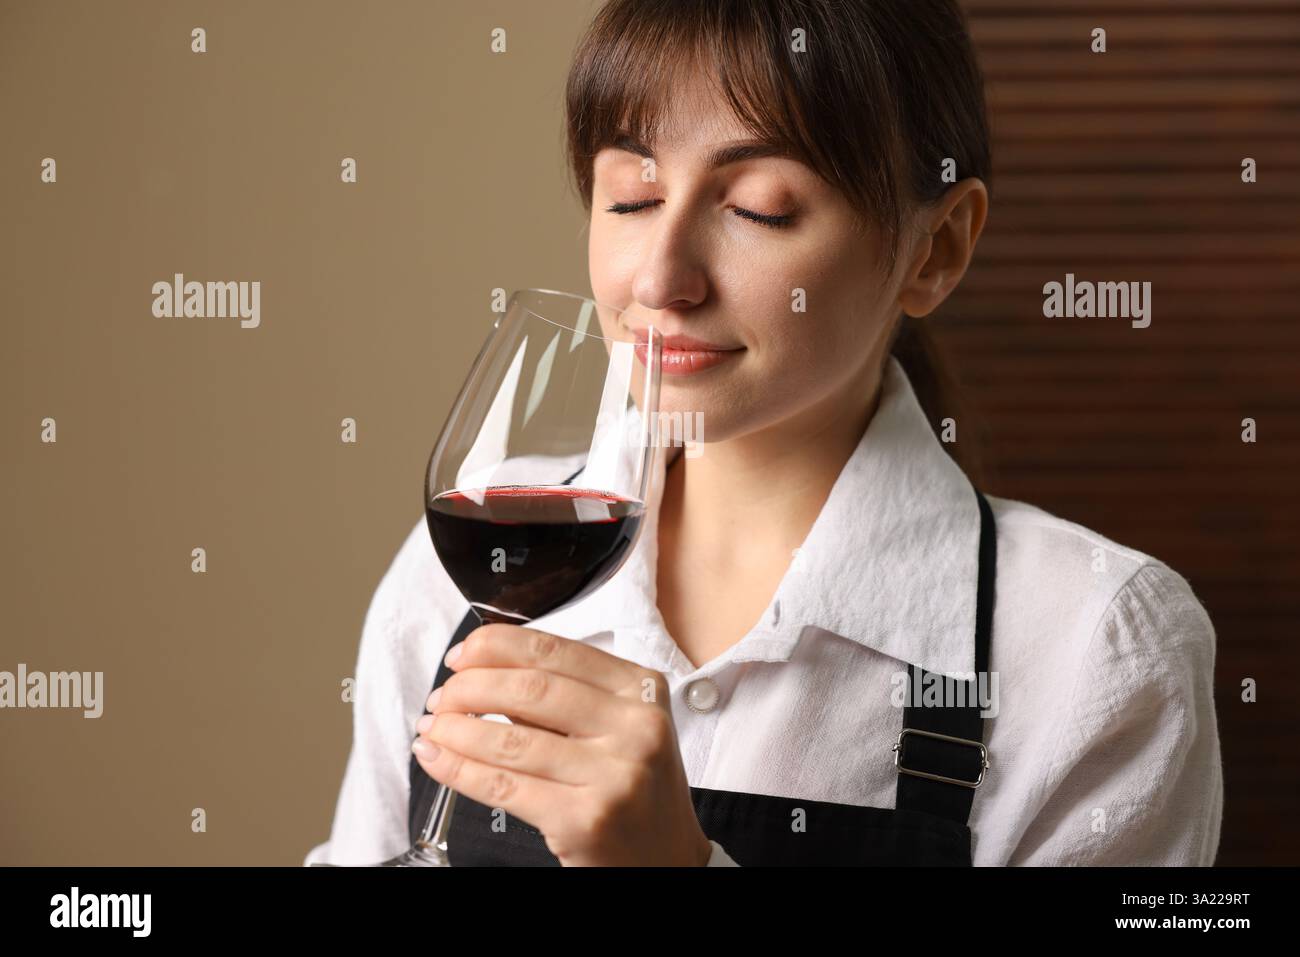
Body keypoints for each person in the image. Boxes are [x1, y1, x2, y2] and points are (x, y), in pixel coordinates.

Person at [306, 0, 1223, 866]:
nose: (661, 281)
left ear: (934, 249)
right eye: (631, 197)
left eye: (758, 209)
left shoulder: (1096, 647)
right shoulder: (463, 571)